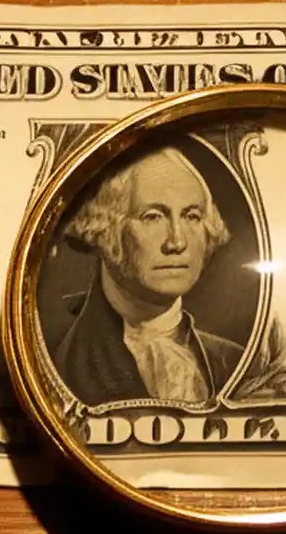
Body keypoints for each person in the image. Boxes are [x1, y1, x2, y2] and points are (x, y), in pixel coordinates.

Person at [49, 142, 244, 407]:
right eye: (153, 217)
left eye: (192, 216)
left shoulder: (237, 362)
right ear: (105, 229)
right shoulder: (55, 359)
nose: (177, 242)